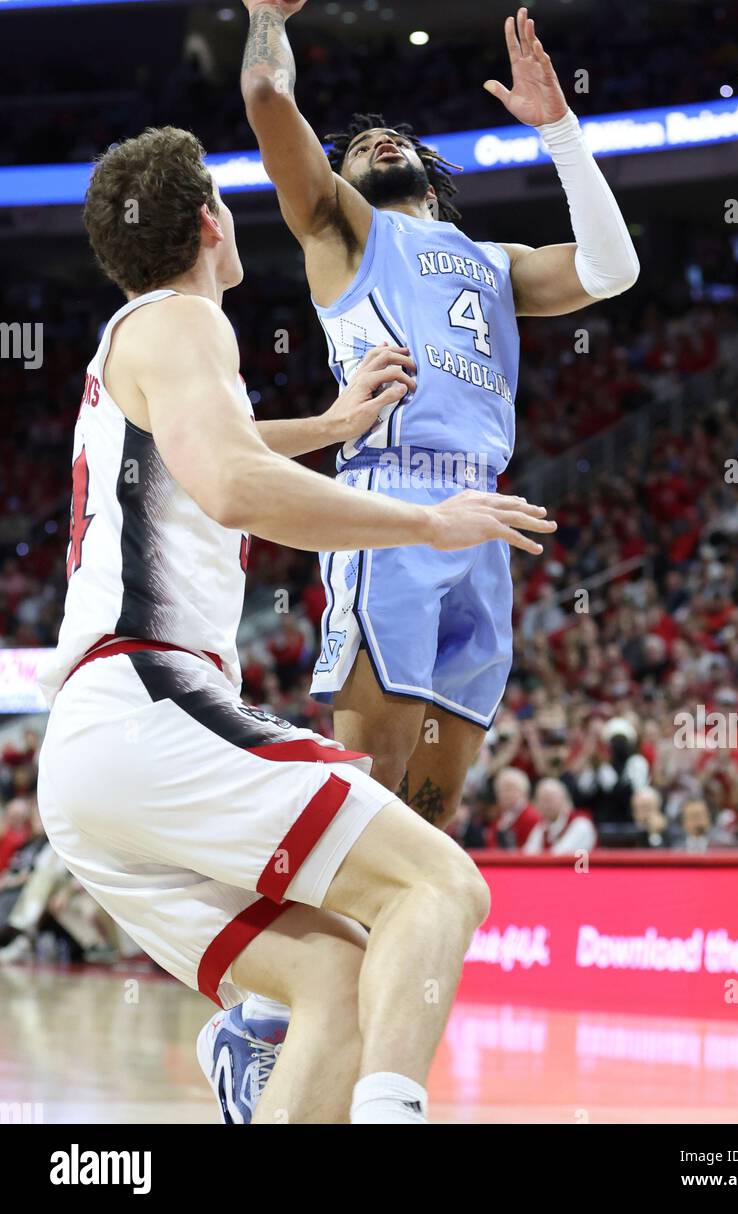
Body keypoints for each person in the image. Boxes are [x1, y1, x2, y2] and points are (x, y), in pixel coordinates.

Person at [36, 125, 555, 1126]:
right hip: (147, 702)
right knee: (438, 885)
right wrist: (425, 519)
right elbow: (233, 486)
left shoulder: (134, 355)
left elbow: (212, 450)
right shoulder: (186, 321)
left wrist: (326, 426)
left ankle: (256, 1035)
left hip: (97, 767)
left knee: (338, 988)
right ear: (208, 224)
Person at [217, 0, 639, 830]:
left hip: (483, 518)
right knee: (369, 798)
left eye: (395, 136)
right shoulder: (346, 229)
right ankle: (305, 964)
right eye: (361, 143)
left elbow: (614, 269)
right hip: (390, 500)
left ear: (437, 178)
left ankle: (403, 971)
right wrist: (266, 11)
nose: (382, 138)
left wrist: (560, 131)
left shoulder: (497, 262)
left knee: (429, 814)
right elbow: (265, 98)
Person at [522, 777, 596, 855]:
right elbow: (528, 853)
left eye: (550, 799)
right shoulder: (541, 826)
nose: (546, 805)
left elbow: (561, 854)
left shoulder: (581, 823)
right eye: (542, 800)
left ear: (564, 799)